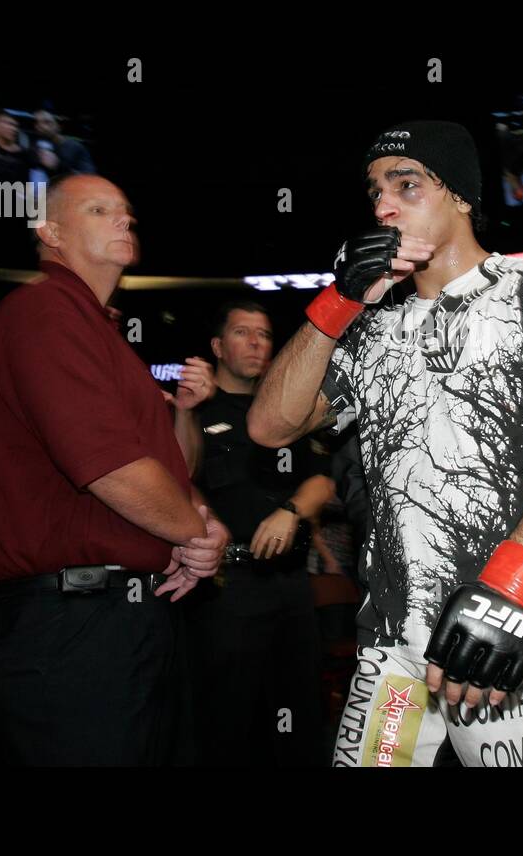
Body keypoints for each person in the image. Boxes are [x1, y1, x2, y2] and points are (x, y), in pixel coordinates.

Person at [249, 120, 523, 767]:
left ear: (460, 195)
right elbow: (271, 426)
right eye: (375, 191)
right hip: (393, 641)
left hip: (518, 630)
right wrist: (339, 302)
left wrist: (509, 589)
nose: (383, 206)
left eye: (407, 185)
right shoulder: (371, 328)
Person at [0, 173, 224, 766]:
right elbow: (113, 471)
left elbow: (166, 473)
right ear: (50, 232)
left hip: (122, 612)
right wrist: (197, 533)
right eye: (99, 210)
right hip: (75, 622)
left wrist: (196, 520)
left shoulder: (100, 333)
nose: (124, 219)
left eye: (125, 211)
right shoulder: (43, 311)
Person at [171, 300, 335, 766]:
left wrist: (290, 511)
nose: (256, 343)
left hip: (289, 583)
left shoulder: (288, 410)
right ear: (218, 346)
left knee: (299, 712)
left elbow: (323, 481)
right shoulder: (199, 409)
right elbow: (181, 476)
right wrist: (185, 413)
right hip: (226, 586)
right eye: (242, 332)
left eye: (263, 334)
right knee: (225, 717)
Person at [32, 108, 96, 178]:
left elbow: (89, 177)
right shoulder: (35, 146)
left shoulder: (75, 147)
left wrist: (58, 165)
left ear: (58, 126)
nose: (41, 126)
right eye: (36, 122)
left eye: (47, 122)